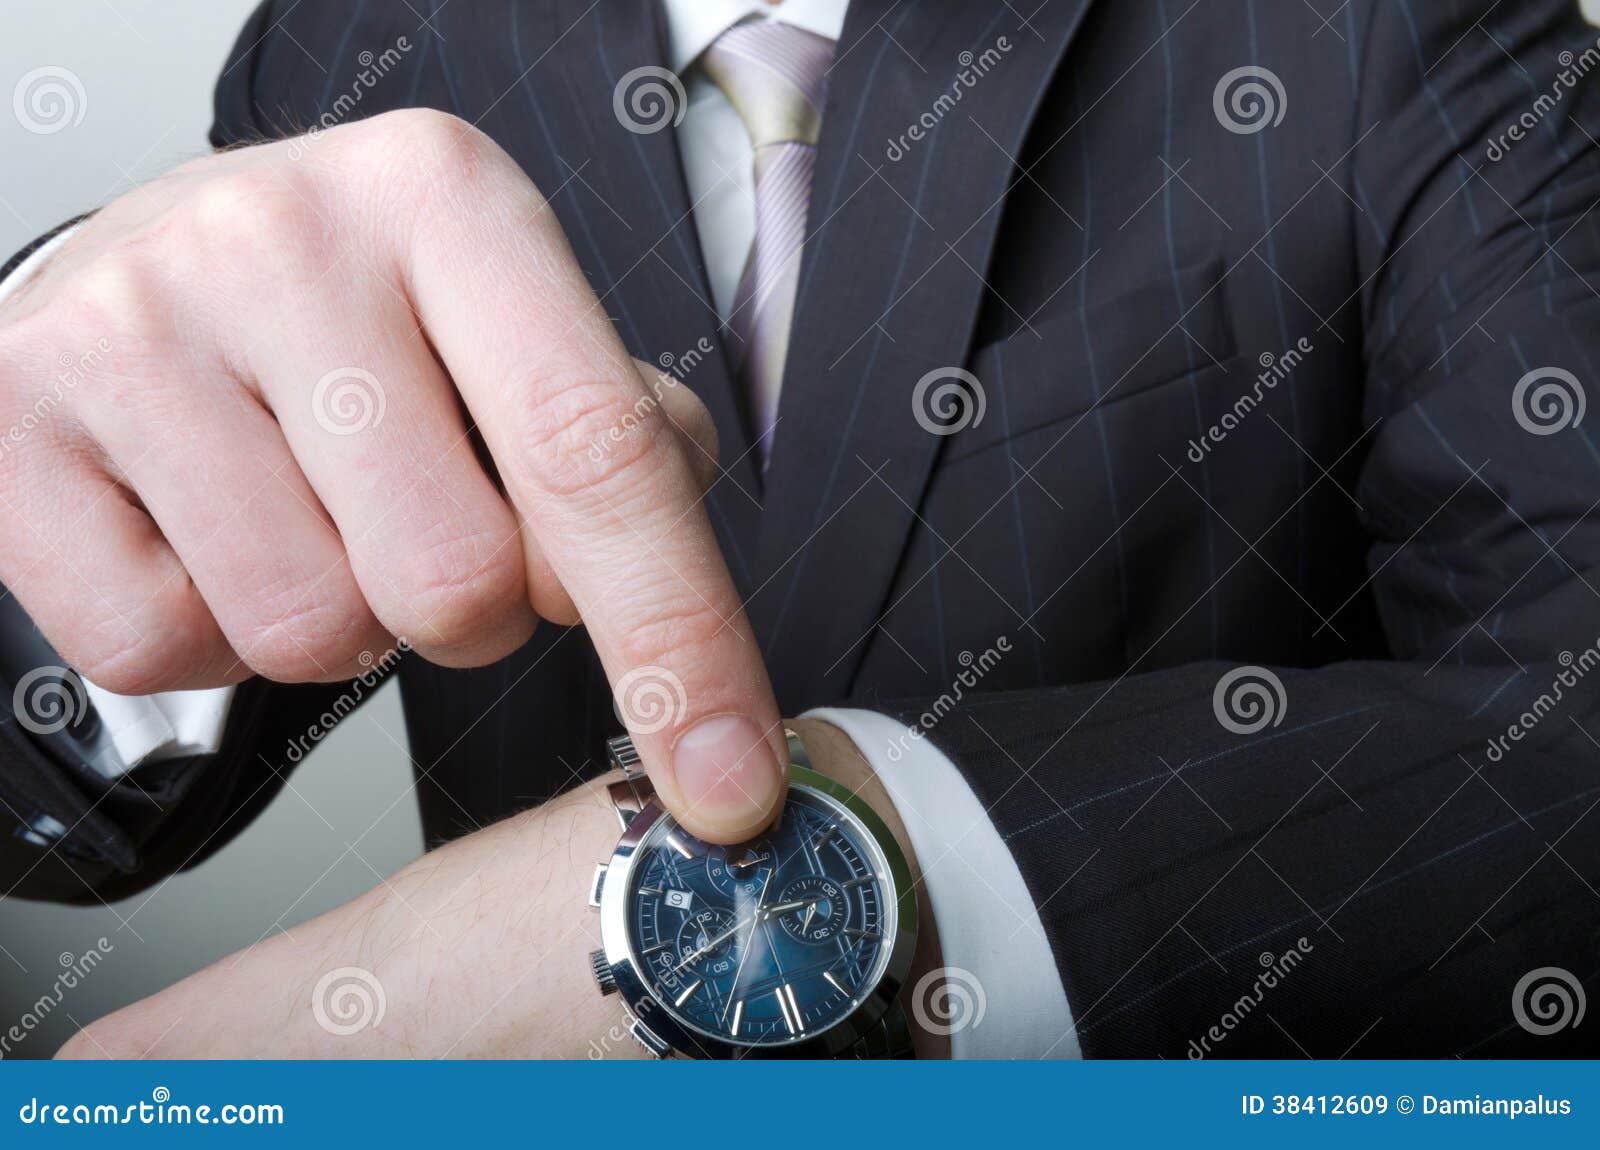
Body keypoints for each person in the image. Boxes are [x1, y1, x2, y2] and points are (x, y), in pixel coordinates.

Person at [0, 0, 1596, 1058]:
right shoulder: (350, 36)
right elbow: (66, 794)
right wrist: (51, 434)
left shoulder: (1401, 25)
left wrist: (894, 860)